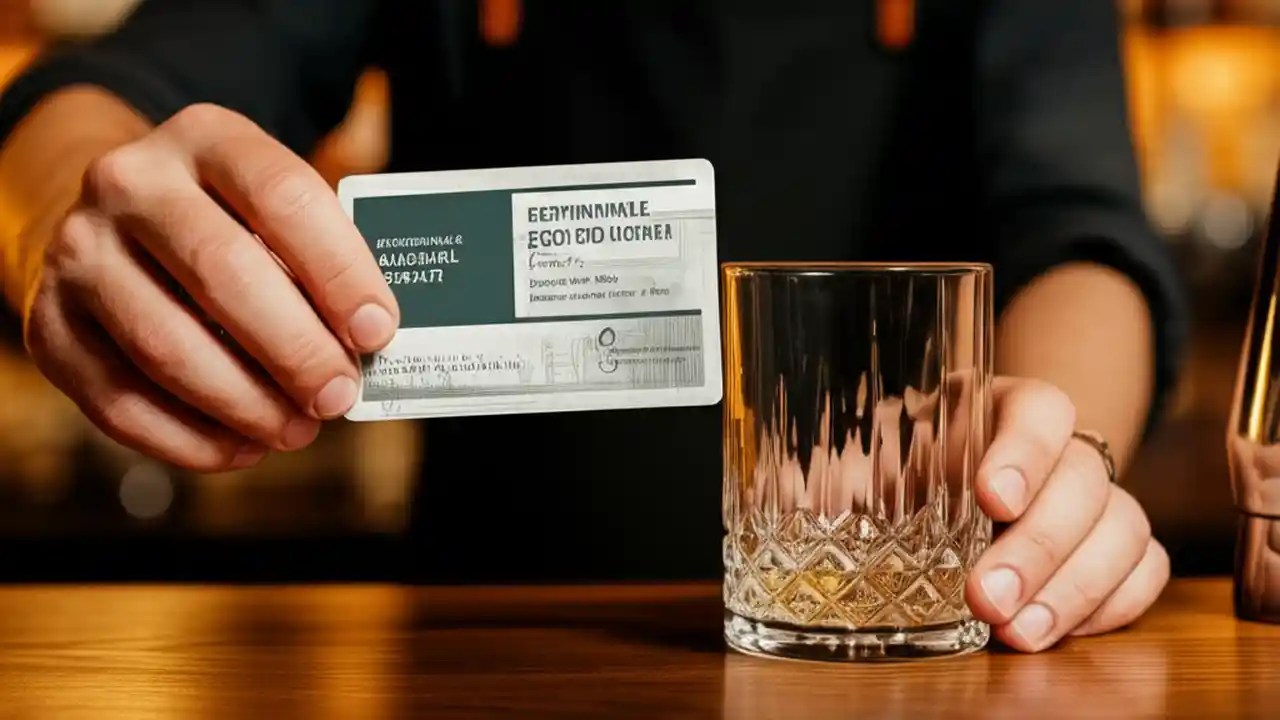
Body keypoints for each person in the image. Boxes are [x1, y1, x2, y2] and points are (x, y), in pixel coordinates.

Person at [0, 0, 1187, 653]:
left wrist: (1047, 470)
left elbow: (1081, 230)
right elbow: (110, 93)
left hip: (885, 671)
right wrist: (60, 216)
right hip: (487, 662)